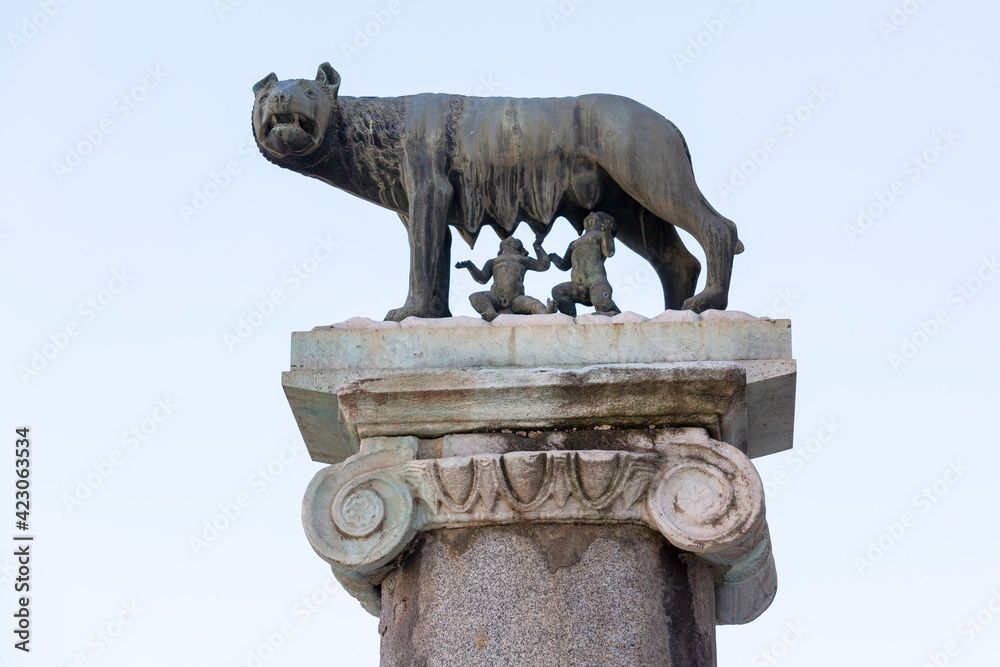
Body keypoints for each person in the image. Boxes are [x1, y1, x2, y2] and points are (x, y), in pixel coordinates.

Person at [455, 234, 554, 321]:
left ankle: (545, 311)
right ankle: (490, 312)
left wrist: (537, 246)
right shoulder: (493, 261)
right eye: (507, 241)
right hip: (496, 297)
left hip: (517, 299)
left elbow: (543, 265)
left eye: (514, 240)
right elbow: (482, 278)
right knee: (475, 296)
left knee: (533, 302)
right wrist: (470, 266)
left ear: (521, 249)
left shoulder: (522, 259)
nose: (510, 238)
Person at [548, 212, 621, 316]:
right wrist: (554, 258)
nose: (591, 213)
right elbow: (564, 265)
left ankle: (617, 315)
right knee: (558, 291)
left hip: (596, 284)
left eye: (595, 214)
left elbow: (609, 252)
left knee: (603, 304)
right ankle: (571, 320)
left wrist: (606, 233)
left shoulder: (601, 234)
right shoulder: (574, 243)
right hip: (577, 287)